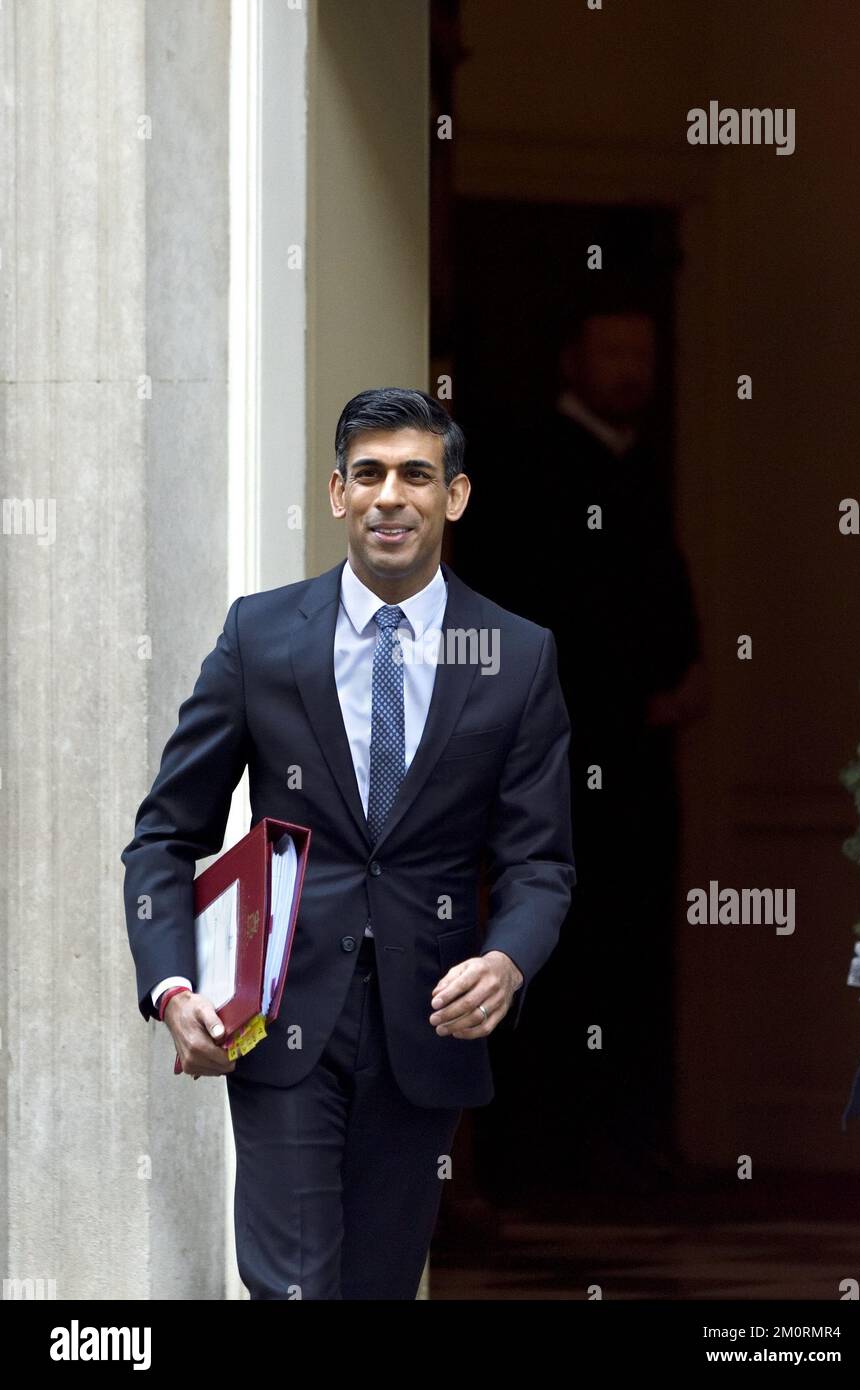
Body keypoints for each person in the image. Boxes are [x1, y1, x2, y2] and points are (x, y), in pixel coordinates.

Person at [121, 387, 576, 1298]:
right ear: (337, 494)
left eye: (416, 475)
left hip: (427, 1027)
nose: (389, 496)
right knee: (293, 1284)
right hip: (279, 1016)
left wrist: (507, 962)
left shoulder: (516, 655)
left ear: (454, 496)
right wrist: (171, 986)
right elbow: (165, 834)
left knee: (378, 1285)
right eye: (367, 474)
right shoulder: (259, 637)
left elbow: (539, 861)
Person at [457, 295, 706, 1194]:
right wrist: (625, 698)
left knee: (635, 945)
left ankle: (627, 1146)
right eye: (612, 352)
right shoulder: (533, 463)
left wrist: (684, 672)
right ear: (571, 360)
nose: (631, 370)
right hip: (566, 758)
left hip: (638, 761)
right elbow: (546, 616)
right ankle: (553, 1156)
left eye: (643, 352)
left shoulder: (638, 460)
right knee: (565, 945)